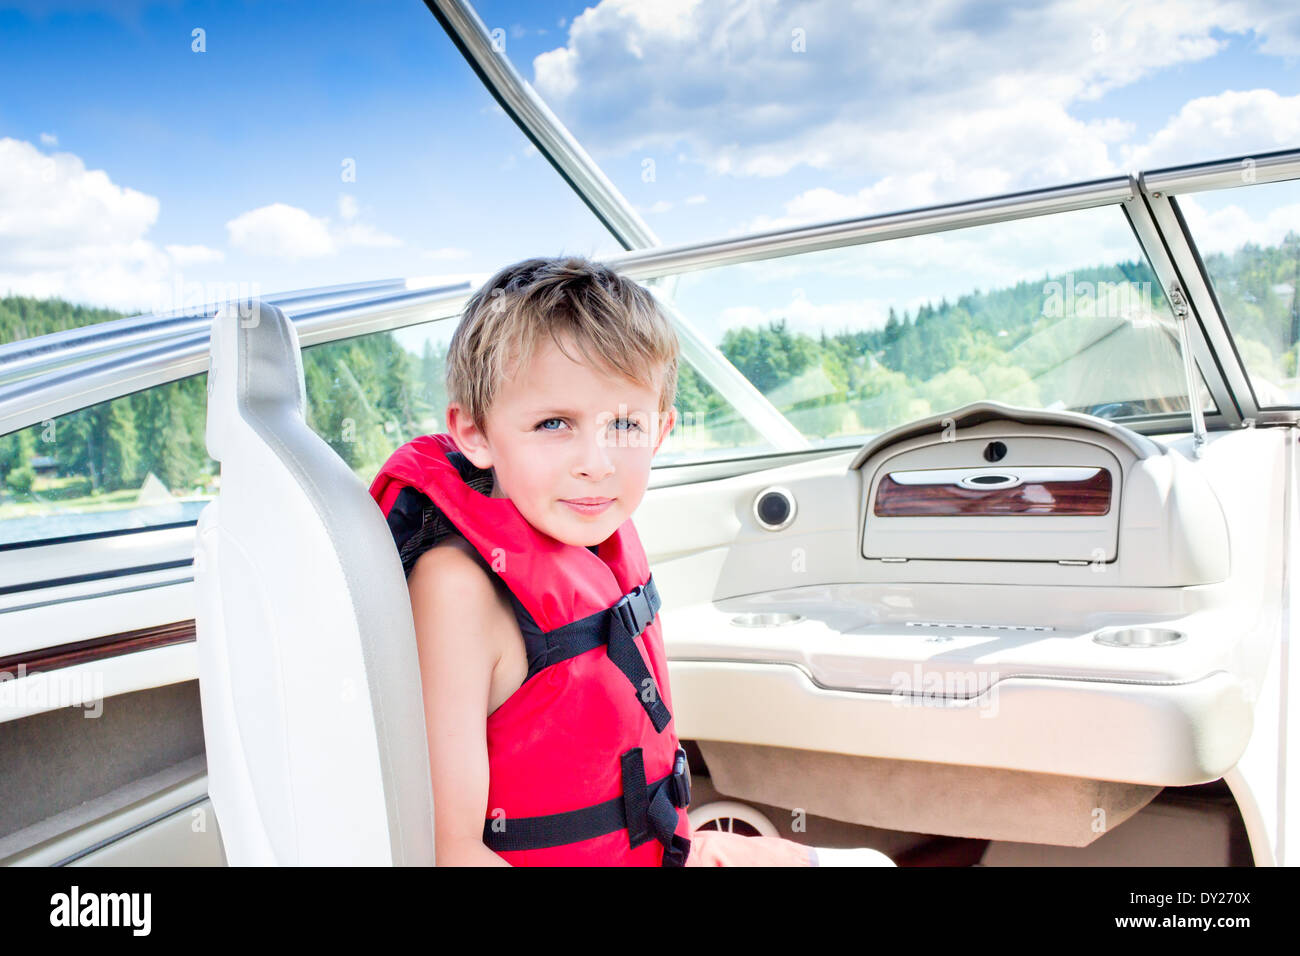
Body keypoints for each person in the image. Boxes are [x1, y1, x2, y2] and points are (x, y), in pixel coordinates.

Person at [369, 255, 894, 867]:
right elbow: (445, 851)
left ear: (662, 429)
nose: (597, 461)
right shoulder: (457, 591)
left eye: (623, 423)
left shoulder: (590, 537)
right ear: (476, 433)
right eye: (553, 423)